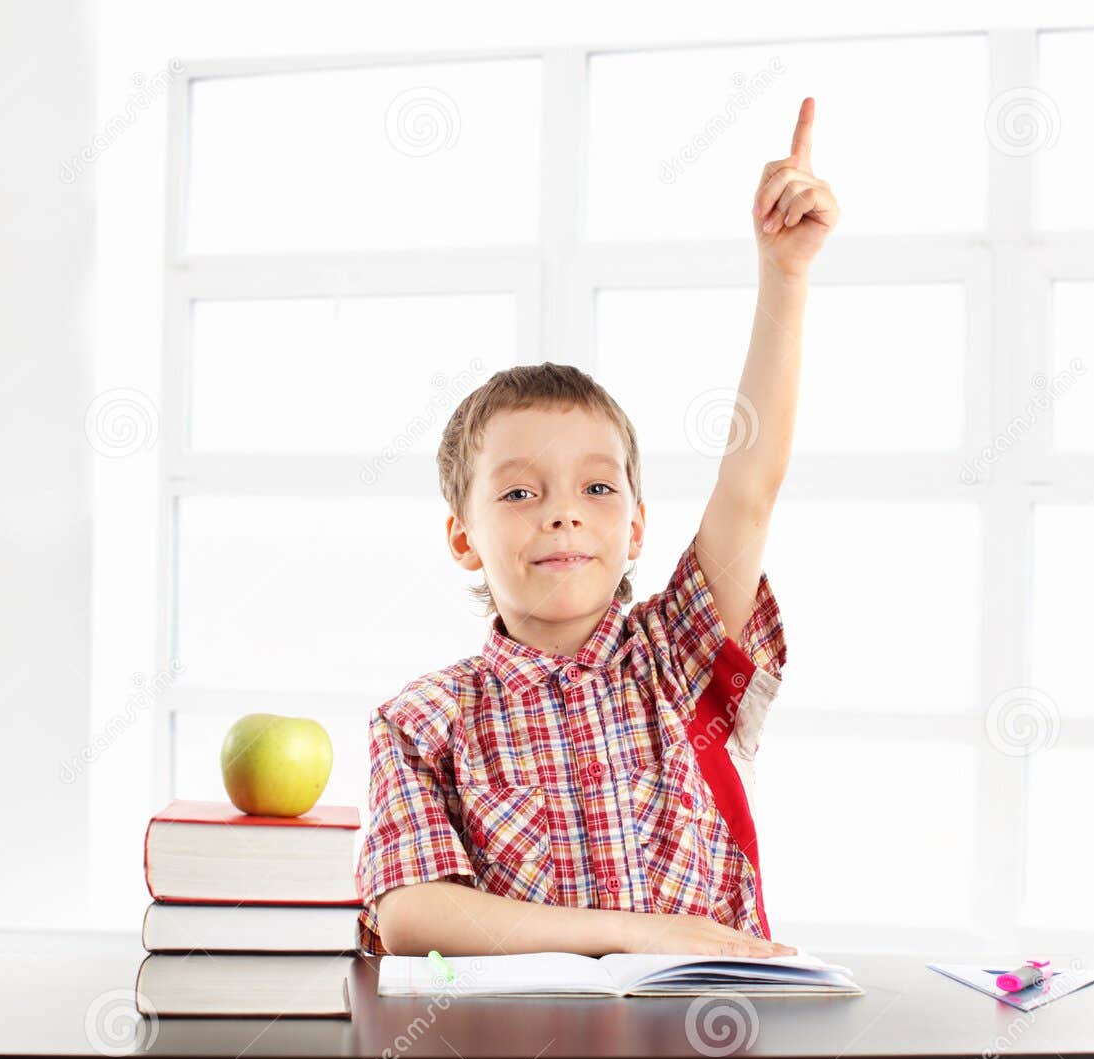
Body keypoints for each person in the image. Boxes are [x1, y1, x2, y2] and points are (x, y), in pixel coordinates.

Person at [355, 98, 837, 958]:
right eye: (518, 494)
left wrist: (785, 277)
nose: (563, 511)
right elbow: (411, 914)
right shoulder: (423, 719)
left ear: (637, 526)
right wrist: (643, 937)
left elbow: (751, 486)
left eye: (597, 486)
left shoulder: (678, 656)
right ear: (463, 537)